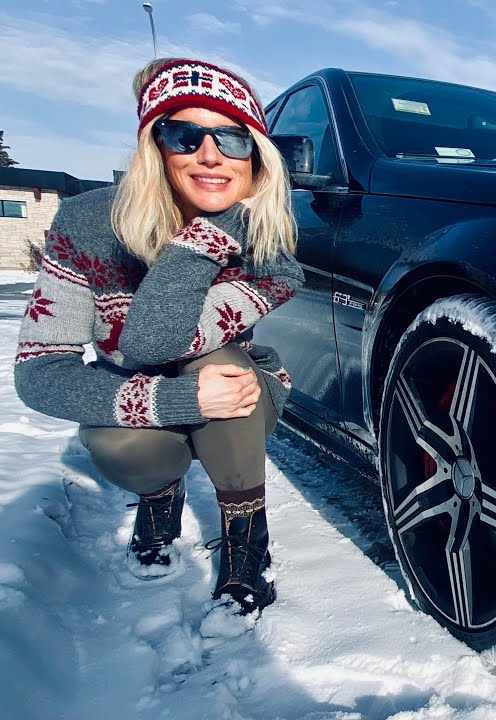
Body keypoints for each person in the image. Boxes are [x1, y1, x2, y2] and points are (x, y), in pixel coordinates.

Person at [13, 58, 303, 623]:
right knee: (126, 450)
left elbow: (156, 339)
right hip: (143, 400)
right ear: (154, 147)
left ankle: (247, 539)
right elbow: (40, 372)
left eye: (233, 138)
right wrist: (175, 401)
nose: (210, 154)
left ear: (258, 159)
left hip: (238, 398)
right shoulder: (86, 225)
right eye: (184, 135)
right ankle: (160, 494)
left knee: (216, 357)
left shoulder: (269, 253)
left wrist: (206, 238)